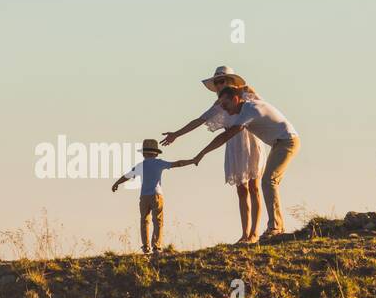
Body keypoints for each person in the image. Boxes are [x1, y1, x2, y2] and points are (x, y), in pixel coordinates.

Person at [160, 66, 266, 243]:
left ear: (230, 82)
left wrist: (247, 89)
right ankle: (245, 233)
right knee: (241, 189)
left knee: (254, 186)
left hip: (250, 140)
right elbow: (199, 120)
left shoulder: (245, 94)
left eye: (221, 81)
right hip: (233, 144)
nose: (218, 85)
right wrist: (176, 134)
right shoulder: (219, 105)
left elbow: (261, 106)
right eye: (216, 82)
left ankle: (254, 232)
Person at [191, 86, 299, 239]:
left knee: (268, 181)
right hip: (279, 143)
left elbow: (226, 136)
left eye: (225, 104)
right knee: (269, 182)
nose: (224, 109)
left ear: (235, 99)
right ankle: (276, 225)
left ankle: (275, 227)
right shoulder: (245, 109)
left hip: (288, 141)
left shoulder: (249, 110)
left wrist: (201, 153)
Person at [111, 139, 194, 254]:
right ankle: (156, 246)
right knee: (158, 221)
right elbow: (177, 163)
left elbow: (127, 176)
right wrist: (192, 161)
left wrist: (116, 183)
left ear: (144, 153)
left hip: (144, 196)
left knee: (144, 221)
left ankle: (146, 247)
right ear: (156, 153)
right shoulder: (159, 163)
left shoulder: (140, 165)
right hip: (156, 194)